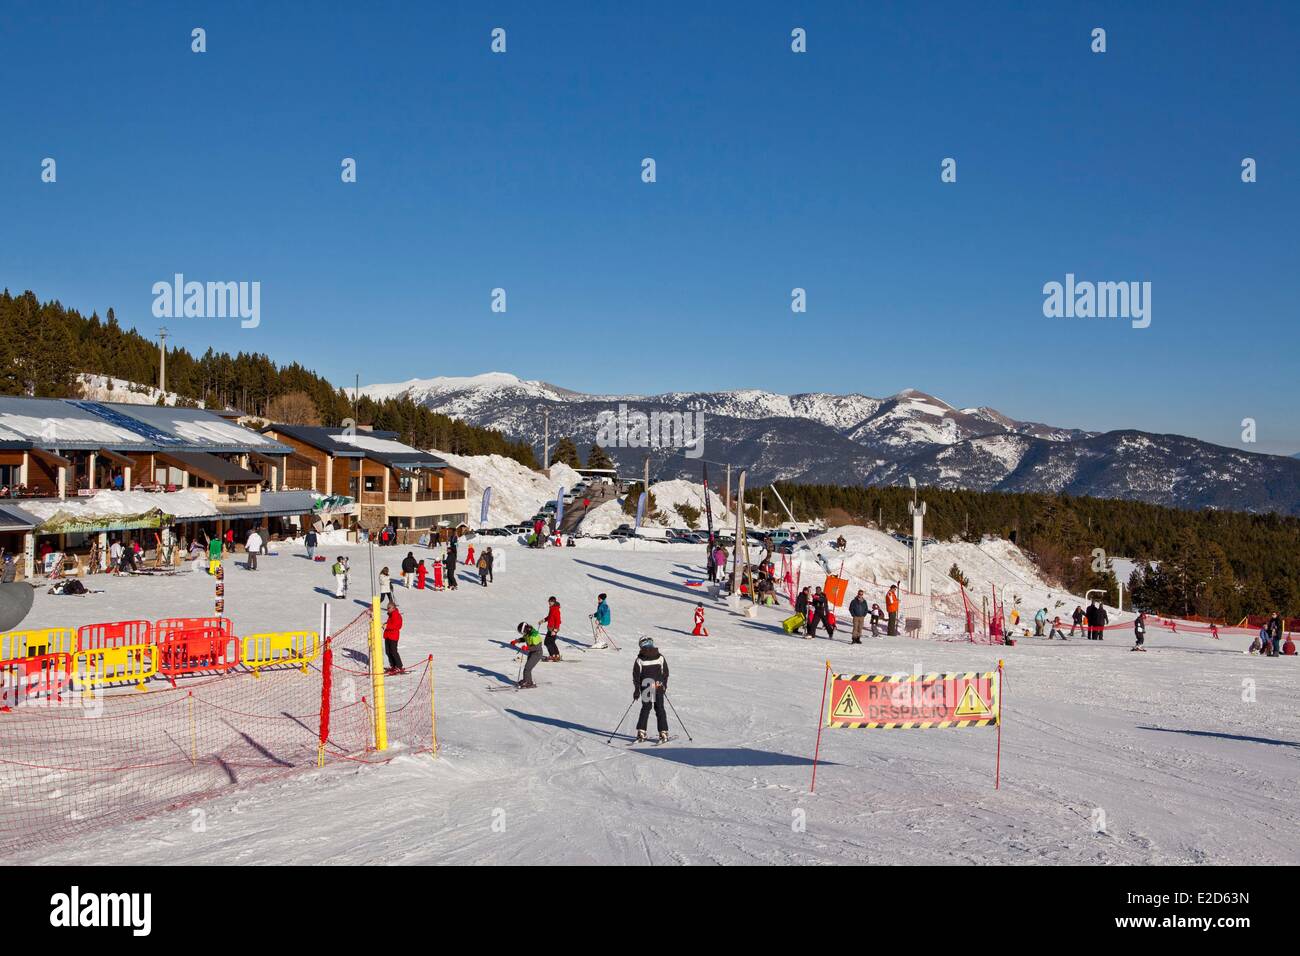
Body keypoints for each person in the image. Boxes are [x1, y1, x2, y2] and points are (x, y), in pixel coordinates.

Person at [632, 636, 670, 744]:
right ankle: (663, 732)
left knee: (646, 708)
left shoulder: (639, 659)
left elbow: (636, 676)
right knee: (660, 708)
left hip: (646, 685)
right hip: (658, 685)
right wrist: (664, 685)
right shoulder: (660, 657)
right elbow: (665, 672)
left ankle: (641, 732)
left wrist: (636, 690)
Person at [511, 622, 545, 688]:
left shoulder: (534, 635)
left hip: (537, 653)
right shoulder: (528, 633)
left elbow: (537, 647)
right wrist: (516, 641)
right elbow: (524, 638)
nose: (523, 633)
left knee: (527, 668)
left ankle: (529, 683)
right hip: (532, 652)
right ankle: (526, 680)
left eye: (523, 632)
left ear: (526, 629)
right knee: (527, 668)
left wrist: (527, 648)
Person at [382, 605, 404, 674]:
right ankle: (393, 666)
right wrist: (385, 624)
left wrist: (387, 626)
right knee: (388, 652)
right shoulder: (390, 615)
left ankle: (399, 666)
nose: (387, 609)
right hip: (388, 636)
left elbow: (397, 625)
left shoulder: (396, 615)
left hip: (393, 636)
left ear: (393, 608)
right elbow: (391, 623)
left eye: (389, 608)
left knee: (393, 651)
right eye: (387, 608)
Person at [542, 596, 562, 661]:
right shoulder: (552, 608)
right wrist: (543, 620)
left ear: (554, 602)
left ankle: (552, 655)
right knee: (551, 642)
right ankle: (557, 655)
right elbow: (550, 617)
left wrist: (555, 630)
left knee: (547, 642)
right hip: (551, 628)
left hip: (553, 629)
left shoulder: (556, 609)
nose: (549, 603)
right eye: (549, 601)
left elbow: (558, 620)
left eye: (551, 601)